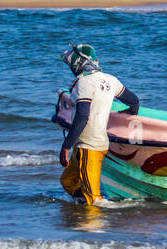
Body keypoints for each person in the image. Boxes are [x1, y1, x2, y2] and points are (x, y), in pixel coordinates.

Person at [52, 43, 140, 204]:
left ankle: (94, 223)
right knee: (68, 181)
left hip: (88, 147)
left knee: (93, 199)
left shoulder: (83, 83)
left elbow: (82, 117)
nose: (71, 68)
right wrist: (123, 118)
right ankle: (80, 213)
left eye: (72, 64)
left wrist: (65, 146)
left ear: (79, 64)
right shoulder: (111, 80)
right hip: (94, 144)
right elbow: (134, 102)